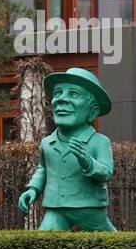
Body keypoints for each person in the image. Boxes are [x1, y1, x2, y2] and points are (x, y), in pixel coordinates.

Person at [17, 67, 116, 232]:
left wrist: (88, 163)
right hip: (57, 210)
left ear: (93, 111)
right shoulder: (47, 143)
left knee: (111, 247)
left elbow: (106, 173)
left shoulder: (99, 142)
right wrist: (33, 189)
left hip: (90, 209)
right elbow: (43, 170)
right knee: (43, 245)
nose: (61, 100)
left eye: (74, 94)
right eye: (57, 93)